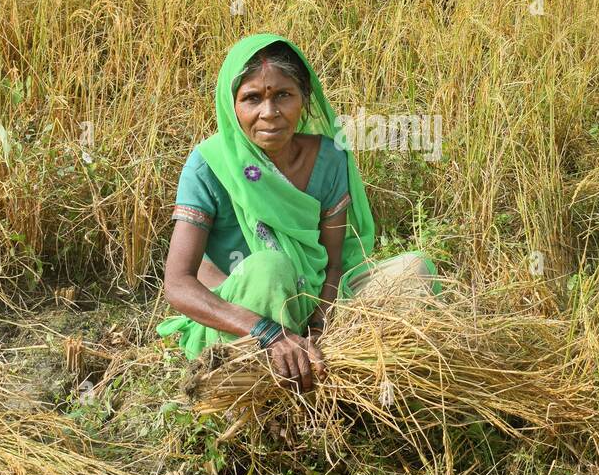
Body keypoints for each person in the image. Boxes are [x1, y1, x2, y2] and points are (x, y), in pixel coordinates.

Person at [159, 33, 438, 392]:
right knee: (271, 265)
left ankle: (329, 373)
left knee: (412, 270)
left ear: (304, 99)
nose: (269, 113)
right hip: (243, 319)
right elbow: (178, 284)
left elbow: (334, 264)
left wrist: (320, 329)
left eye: (283, 96)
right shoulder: (209, 166)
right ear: (232, 106)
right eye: (252, 98)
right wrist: (268, 333)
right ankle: (251, 381)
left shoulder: (328, 158)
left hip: (317, 299)